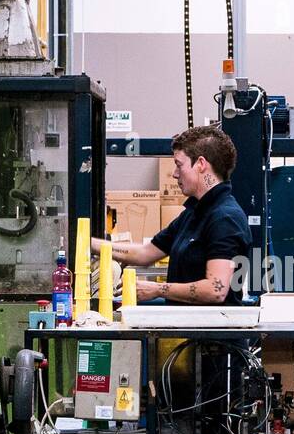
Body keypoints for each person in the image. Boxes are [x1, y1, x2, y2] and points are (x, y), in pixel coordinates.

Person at [94, 126, 251, 305]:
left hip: (211, 331)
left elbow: (215, 290)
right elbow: (144, 254)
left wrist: (157, 289)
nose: (175, 174)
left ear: (201, 164)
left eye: (178, 165)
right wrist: (87, 243)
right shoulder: (192, 214)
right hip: (186, 328)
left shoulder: (225, 218)